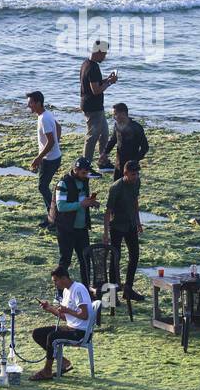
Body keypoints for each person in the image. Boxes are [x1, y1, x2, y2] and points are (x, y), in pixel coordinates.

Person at [29, 266, 92, 381]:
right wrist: (49, 308)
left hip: (80, 332)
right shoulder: (66, 291)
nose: (55, 284)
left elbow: (84, 315)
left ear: (63, 278)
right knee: (37, 333)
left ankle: (47, 371)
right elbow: (64, 317)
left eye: (55, 281)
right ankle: (63, 361)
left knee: (52, 337)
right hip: (71, 327)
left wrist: (67, 310)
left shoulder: (78, 289)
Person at [50, 157, 97, 286]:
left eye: (87, 172)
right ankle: (60, 292)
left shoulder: (84, 181)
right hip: (66, 229)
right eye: (83, 172)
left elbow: (81, 199)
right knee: (65, 261)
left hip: (81, 229)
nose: (86, 175)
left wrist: (91, 202)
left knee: (85, 260)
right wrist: (81, 204)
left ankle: (86, 290)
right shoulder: (63, 183)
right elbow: (61, 206)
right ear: (75, 170)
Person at [104, 159, 145, 301]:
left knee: (134, 255)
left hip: (131, 224)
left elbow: (135, 202)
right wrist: (105, 233)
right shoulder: (116, 188)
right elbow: (108, 211)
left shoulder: (137, 182)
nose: (136, 177)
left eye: (137, 174)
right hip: (116, 226)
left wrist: (138, 222)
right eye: (133, 174)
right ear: (125, 173)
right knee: (115, 258)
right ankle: (112, 294)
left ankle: (128, 288)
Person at [80, 40, 118, 174]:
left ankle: (102, 161)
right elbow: (96, 90)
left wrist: (106, 80)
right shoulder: (93, 67)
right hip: (93, 108)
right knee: (92, 137)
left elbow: (94, 84)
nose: (105, 57)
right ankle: (85, 167)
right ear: (99, 51)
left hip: (94, 106)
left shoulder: (86, 63)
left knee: (104, 134)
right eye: (104, 54)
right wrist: (110, 83)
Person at [26, 91, 62, 229]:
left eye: (31, 103)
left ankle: (54, 217)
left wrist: (38, 158)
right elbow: (58, 127)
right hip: (52, 157)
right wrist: (56, 144)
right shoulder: (46, 114)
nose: (29, 105)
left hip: (50, 159)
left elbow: (51, 141)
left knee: (42, 187)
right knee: (44, 187)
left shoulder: (44, 119)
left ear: (38, 103)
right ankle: (51, 216)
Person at [106, 102, 149, 180]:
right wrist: (105, 153)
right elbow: (113, 140)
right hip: (119, 163)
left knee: (131, 188)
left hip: (131, 166)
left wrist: (135, 160)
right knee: (116, 187)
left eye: (115, 114)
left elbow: (145, 147)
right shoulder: (117, 125)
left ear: (123, 114)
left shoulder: (136, 128)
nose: (114, 117)